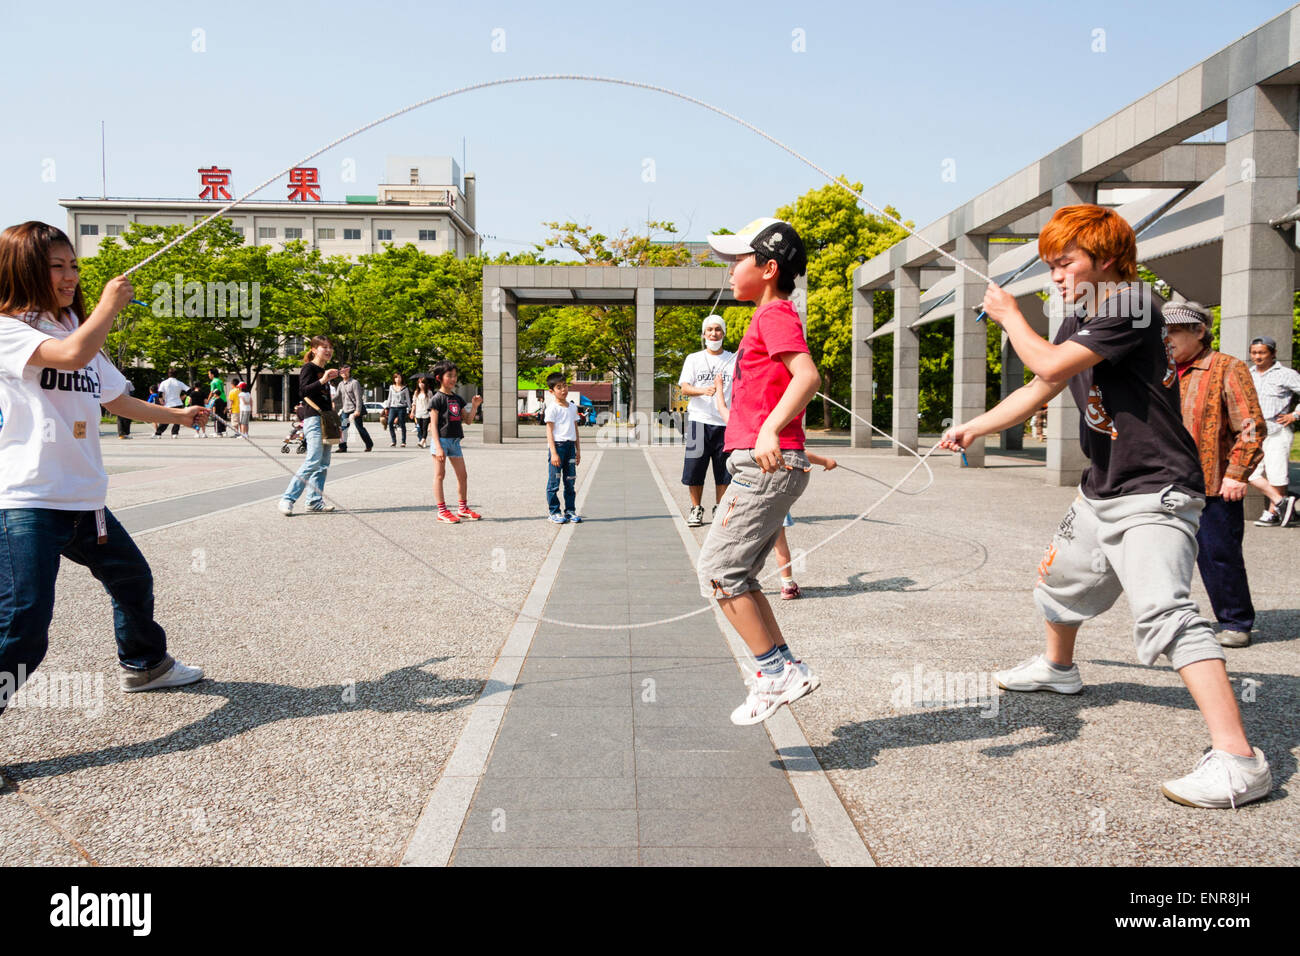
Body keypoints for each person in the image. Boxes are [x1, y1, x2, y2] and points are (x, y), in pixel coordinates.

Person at [940, 204, 1272, 808]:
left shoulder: (1129, 303)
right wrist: (976, 427)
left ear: (1108, 259)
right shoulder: (1087, 319)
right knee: (1060, 581)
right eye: (1050, 266)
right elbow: (1038, 385)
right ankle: (1058, 669)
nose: (1056, 277)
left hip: (1155, 488)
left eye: (1065, 263)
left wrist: (1011, 315)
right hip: (1103, 486)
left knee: (1166, 614)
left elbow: (1041, 362)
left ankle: (1239, 762)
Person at [0, 221, 206, 709]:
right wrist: (109, 307)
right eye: (56, 266)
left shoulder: (75, 328)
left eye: (73, 265)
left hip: (85, 499)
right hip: (28, 500)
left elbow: (117, 399)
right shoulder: (9, 329)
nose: (69, 276)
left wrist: (178, 414)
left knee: (132, 580)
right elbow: (69, 358)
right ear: (23, 269)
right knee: (23, 625)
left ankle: (146, 664)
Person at [696, 218, 820, 726]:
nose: (729, 272)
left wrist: (770, 431)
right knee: (740, 574)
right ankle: (784, 665)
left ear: (768, 269)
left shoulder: (773, 315)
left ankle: (774, 673)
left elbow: (807, 377)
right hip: (767, 460)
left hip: (765, 463)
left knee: (718, 573)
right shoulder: (764, 317)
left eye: (737, 261)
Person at [1163, 302, 1265, 648]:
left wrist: (1237, 473)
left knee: (1219, 554)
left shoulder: (1227, 368)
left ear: (1199, 331)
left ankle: (1235, 620)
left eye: (1174, 330)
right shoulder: (1156, 370)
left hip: (1212, 484)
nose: (1166, 338)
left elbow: (1250, 427)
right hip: (1161, 482)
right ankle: (1168, 619)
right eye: (1162, 331)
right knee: (1160, 555)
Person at [712, 370, 836, 600]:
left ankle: (763, 581)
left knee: (743, 550)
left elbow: (722, 411)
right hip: (770, 491)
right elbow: (801, 452)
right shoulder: (760, 427)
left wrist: (720, 389)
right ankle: (787, 583)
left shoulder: (750, 427)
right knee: (779, 544)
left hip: (761, 487)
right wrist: (825, 461)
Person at [678, 315, 735, 526]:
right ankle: (696, 508)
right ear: (703, 334)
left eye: (718, 329)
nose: (714, 333)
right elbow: (684, 387)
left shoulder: (733, 358)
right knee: (694, 468)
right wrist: (704, 390)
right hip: (698, 422)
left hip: (726, 423)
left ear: (724, 333)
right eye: (710, 329)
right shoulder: (693, 358)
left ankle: (720, 508)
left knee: (725, 471)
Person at [278, 336, 338, 516]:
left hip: (326, 420)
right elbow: (303, 391)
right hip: (313, 419)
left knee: (323, 464)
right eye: (324, 347)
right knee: (313, 460)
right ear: (314, 349)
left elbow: (323, 397)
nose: (328, 350)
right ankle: (287, 499)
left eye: (330, 347)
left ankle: (314, 501)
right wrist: (323, 379)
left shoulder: (323, 370)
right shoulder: (309, 368)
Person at [1245, 335, 1300, 527]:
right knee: (1248, 472)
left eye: (1262, 352)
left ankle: (1273, 513)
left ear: (1273, 353)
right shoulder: (1247, 373)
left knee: (1277, 473)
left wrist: (1295, 415)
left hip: (1277, 430)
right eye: (1254, 353)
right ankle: (1282, 503)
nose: (1257, 356)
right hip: (1252, 431)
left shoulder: (1286, 374)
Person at [429, 361, 483, 523]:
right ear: (440, 378)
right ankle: (442, 510)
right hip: (441, 442)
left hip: (455, 441)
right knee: (439, 475)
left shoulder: (458, 399)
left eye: (454, 376)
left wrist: (474, 406)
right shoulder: (437, 399)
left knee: (462, 475)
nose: (453, 379)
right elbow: (433, 425)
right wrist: (438, 447)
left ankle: (463, 508)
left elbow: (467, 421)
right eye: (449, 376)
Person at [544, 371, 582, 523]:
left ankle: (570, 511)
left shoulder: (572, 407)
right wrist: (553, 453)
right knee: (554, 481)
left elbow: (575, 429)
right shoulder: (552, 408)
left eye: (565, 386)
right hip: (558, 447)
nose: (563, 390)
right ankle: (554, 512)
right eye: (559, 387)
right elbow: (549, 431)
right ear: (552, 391)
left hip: (570, 447)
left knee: (570, 481)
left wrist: (578, 450)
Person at [336, 364, 371, 452]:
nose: (344, 373)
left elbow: (358, 398)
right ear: (340, 373)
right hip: (345, 410)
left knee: (359, 428)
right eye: (342, 371)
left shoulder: (354, 382)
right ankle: (342, 447)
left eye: (345, 371)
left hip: (354, 410)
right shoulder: (340, 384)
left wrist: (358, 410)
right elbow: (336, 396)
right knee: (343, 428)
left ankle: (369, 444)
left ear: (349, 372)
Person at [154, 367, 188, 437]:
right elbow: (189, 390)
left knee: (166, 419)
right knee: (178, 419)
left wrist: (161, 401)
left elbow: (160, 393)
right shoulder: (179, 383)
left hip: (168, 404)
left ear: (169, 374)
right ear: (176, 375)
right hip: (178, 403)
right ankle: (174, 433)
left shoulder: (164, 383)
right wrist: (183, 397)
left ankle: (158, 433)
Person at [385, 372, 411, 447]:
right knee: (390, 422)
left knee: (402, 424)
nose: (398, 379)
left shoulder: (405, 388)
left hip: (402, 408)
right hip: (393, 407)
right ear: (394, 379)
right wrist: (387, 407)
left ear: (401, 378)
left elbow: (408, 399)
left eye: (399, 377)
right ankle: (393, 440)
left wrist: (410, 409)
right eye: (396, 377)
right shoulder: (391, 387)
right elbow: (389, 398)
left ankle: (403, 441)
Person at [412, 376, 434, 449]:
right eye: (420, 383)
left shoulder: (429, 392)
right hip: (418, 413)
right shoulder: (416, 392)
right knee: (420, 429)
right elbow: (414, 403)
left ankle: (422, 440)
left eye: (423, 383)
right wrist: (412, 412)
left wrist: (431, 413)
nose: (421, 384)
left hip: (426, 413)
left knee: (425, 428)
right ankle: (423, 441)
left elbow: (432, 404)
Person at [208, 369, 226, 437]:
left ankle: (217, 432)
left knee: (216, 416)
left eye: (209, 374)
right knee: (222, 416)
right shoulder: (220, 380)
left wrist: (208, 400)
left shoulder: (213, 382)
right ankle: (223, 431)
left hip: (217, 400)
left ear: (212, 374)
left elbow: (211, 392)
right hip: (223, 399)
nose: (208, 375)